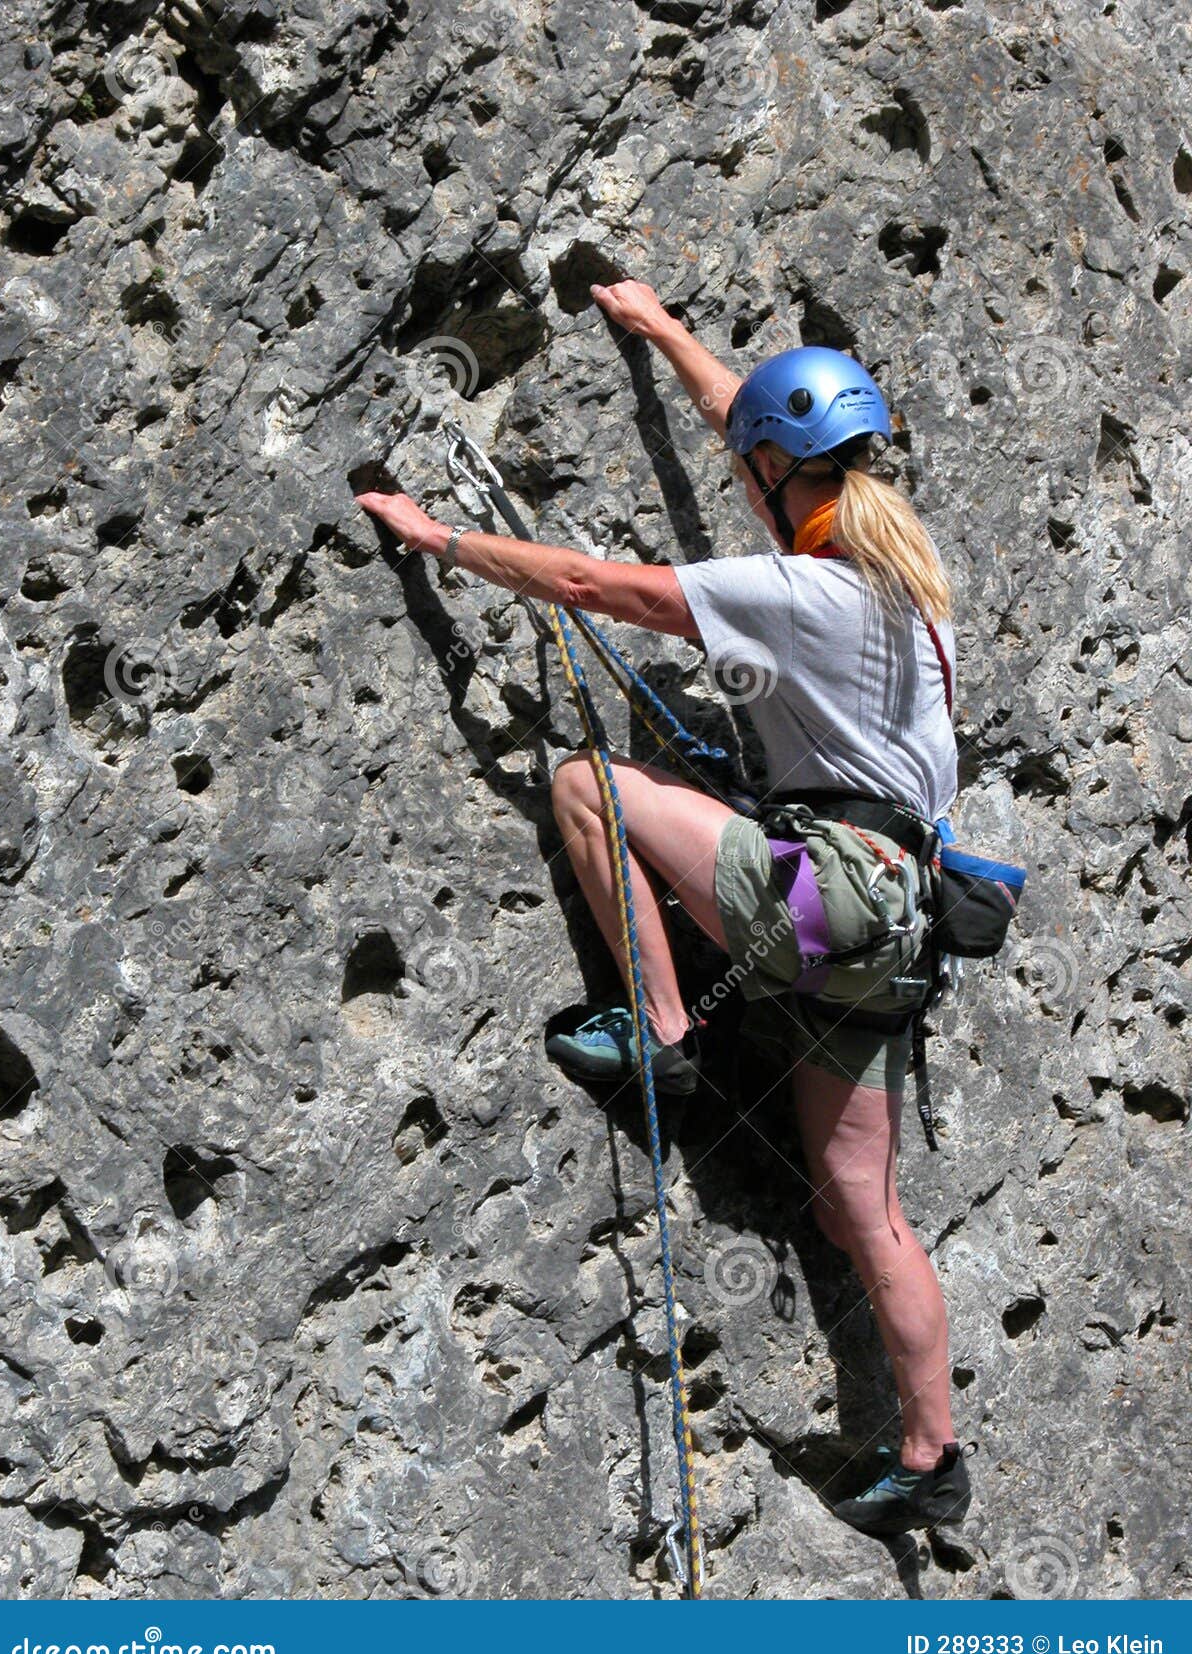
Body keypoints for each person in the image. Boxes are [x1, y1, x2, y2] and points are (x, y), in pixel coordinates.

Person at [354, 278, 972, 1536]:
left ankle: (663, 1028)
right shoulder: (911, 591)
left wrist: (443, 542)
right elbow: (757, 431)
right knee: (868, 1213)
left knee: (590, 784)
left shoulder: (797, 593)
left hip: (827, 894)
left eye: (753, 464)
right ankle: (929, 1451)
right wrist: (667, 335)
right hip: (895, 932)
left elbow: (592, 583)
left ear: (772, 472)